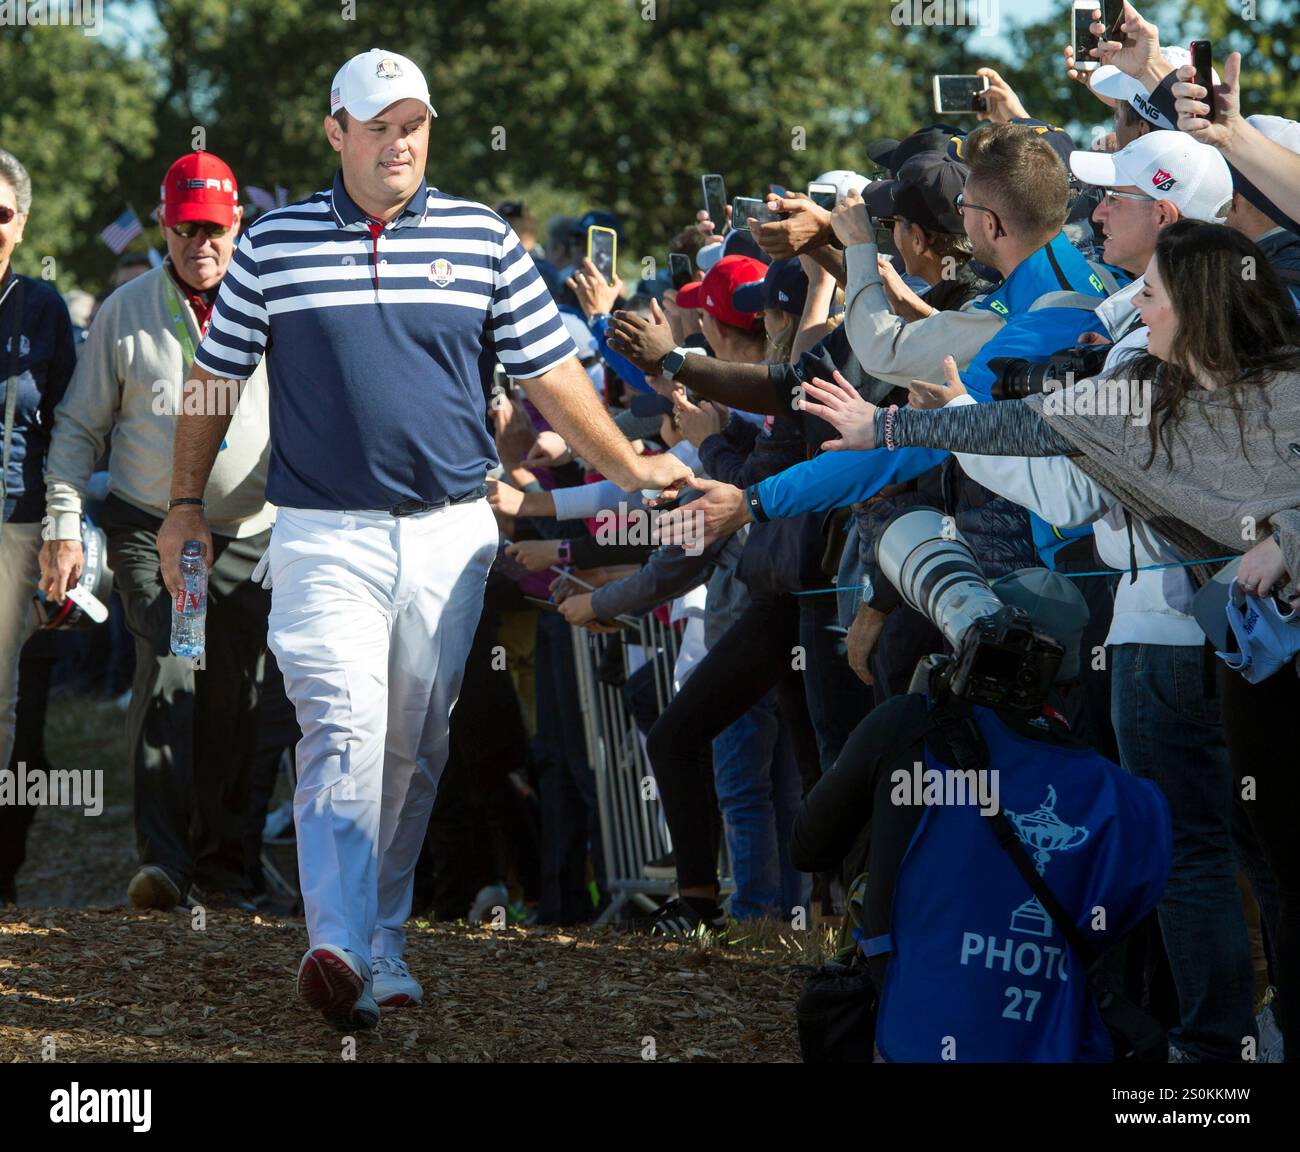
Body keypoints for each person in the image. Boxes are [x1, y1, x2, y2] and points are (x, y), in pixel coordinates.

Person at [156, 48, 689, 1030]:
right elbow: (211, 379)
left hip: (450, 533)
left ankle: (381, 942)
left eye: (412, 124)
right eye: (376, 125)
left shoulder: (484, 238)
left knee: (412, 746)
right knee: (341, 724)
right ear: (335, 132)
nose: (397, 143)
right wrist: (184, 504)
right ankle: (338, 941)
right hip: (320, 533)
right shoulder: (271, 246)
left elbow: (549, 376)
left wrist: (629, 467)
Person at [802, 221, 1300, 1059]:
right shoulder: (1140, 391)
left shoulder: (1290, 389)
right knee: (1253, 849)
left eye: (1153, 293)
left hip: (1252, 659)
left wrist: (1289, 532)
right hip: (1244, 664)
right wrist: (888, 431)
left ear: (1202, 306)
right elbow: (1024, 429)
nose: (1137, 307)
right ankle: (1229, 1050)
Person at [792, 552, 1171, 1062]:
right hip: (1054, 1045)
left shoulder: (909, 725)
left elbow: (808, 845)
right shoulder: (1130, 802)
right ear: (1073, 675)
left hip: (908, 1037)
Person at [41, 151, 275, 914]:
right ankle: (165, 866)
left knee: (240, 698)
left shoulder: (272, 303)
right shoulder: (125, 310)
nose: (199, 244)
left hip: (249, 533)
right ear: (163, 226)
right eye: (184, 230)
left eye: (212, 228)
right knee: (176, 658)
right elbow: (77, 428)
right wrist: (65, 527)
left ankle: (229, 868)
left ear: (237, 222)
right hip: (150, 530)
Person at [0, 148, 77, 904]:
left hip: (16, 529)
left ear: (20, 225)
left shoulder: (43, 308)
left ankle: (4, 875)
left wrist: (64, 528)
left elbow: (70, 429)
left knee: (11, 711)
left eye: (2, 212)